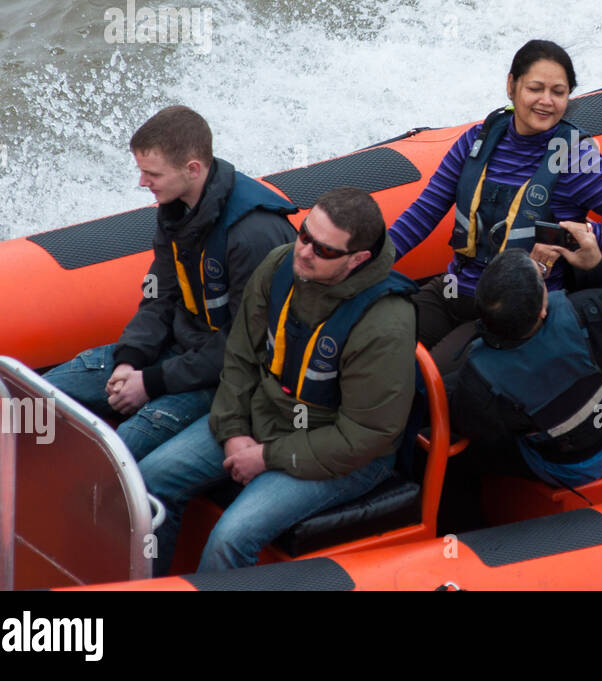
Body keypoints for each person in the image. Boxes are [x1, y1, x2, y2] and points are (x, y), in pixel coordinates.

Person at [139, 187, 417, 574]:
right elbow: (240, 356)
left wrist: (268, 457)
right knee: (149, 481)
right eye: (304, 234)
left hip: (344, 455)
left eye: (324, 250)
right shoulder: (279, 265)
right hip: (263, 415)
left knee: (229, 540)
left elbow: (367, 435)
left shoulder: (385, 324)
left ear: (358, 259)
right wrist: (233, 429)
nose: (303, 251)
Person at [388, 39, 602, 369]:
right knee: (383, 343)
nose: (546, 101)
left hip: (516, 309)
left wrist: (583, 235)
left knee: (427, 375)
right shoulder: (475, 141)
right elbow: (422, 214)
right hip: (455, 289)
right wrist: (367, 263)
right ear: (511, 85)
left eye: (558, 92)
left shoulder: (576, 160)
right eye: (535, 88)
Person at [45, 106, 295, 459]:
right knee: (30, 402)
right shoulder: (176, 210)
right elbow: (157, 296)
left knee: (120, 448)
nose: (142, 183)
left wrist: (152, 382)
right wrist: (129, 360)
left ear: (192, 169)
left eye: (152, 174)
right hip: (178, 348)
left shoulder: (253, 235)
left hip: (225, 373)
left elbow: (245, 348)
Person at [444, 220, 602, 488]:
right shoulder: (594, 315)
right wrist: (600, 267)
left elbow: (477, 428)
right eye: (538, 276)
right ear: (542, 311)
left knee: (460, 446)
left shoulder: (477, 381)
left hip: (553, 455)